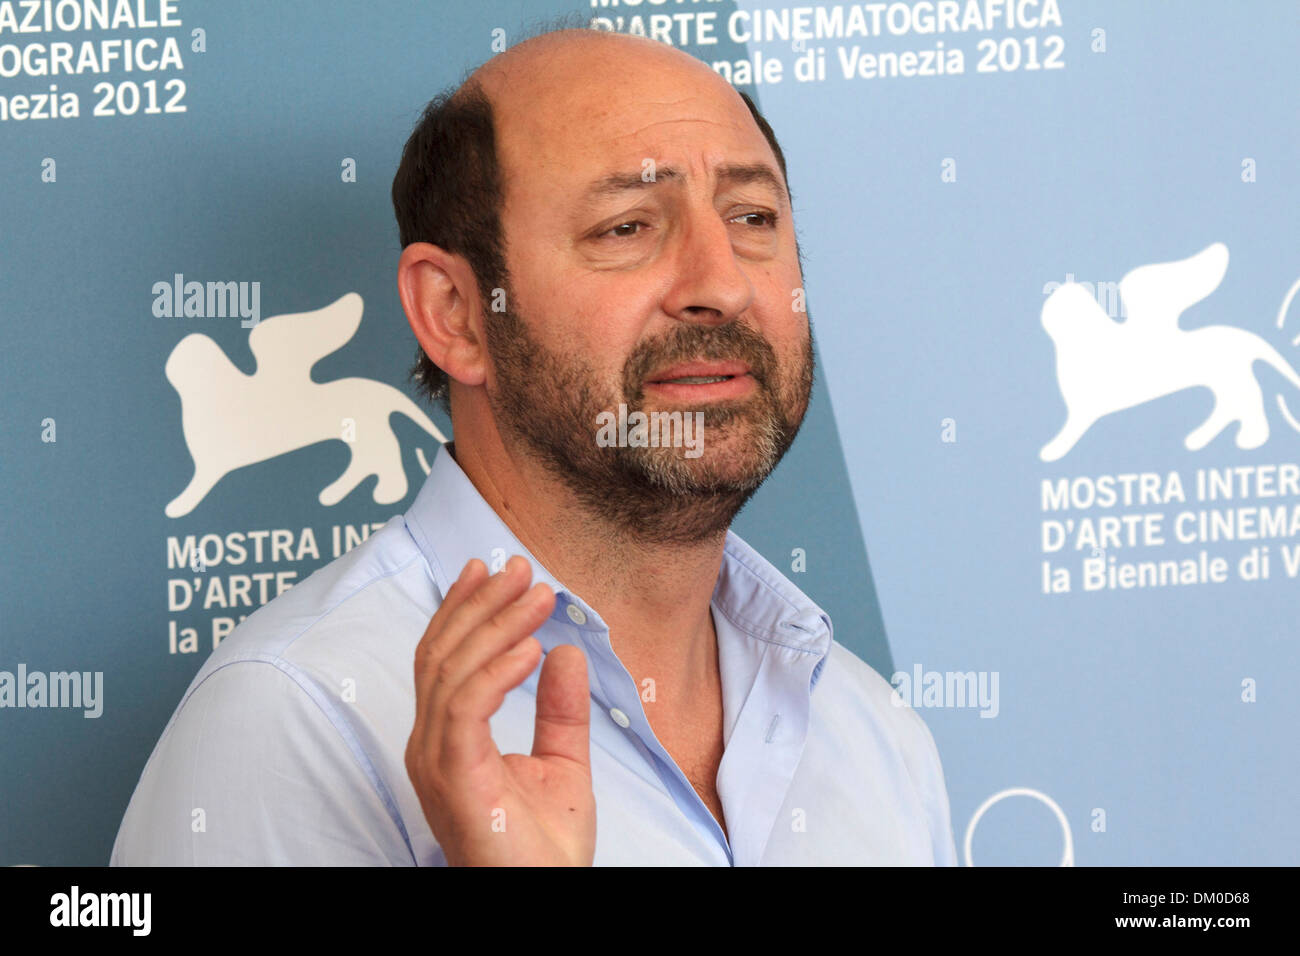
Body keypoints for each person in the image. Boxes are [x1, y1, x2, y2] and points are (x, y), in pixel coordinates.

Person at [111, 26, 958, 866]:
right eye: (627, 227)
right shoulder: (296, 720)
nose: (722, 283)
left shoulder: (871, 729)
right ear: (456, 313)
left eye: (753, 216)